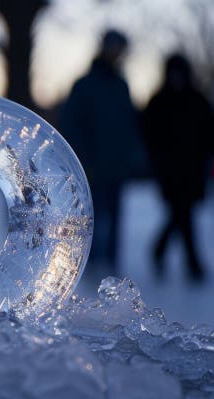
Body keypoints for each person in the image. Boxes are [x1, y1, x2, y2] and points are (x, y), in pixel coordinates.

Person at [60, 30, 143, 273]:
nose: (117, 53)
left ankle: (111, 263)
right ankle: (89, 263)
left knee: (116, 216)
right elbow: (71, 125)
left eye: (120, 49)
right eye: (114, 47)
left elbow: (129, 124)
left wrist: (132, 154)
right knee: (91, 218)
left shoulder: (121, 85)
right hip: (90, 167)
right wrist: (82, 161)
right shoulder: (84, 85)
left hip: (117, 165)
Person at [142, 54, 213, 281]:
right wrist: (157, 159)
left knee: (181, 214)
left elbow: (208, 134)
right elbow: (148, 133)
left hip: (193, 170)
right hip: (169, 171)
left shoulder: (198, 100)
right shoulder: (158, 102)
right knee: (182, 213)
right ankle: (192, 264)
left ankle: (161, 251)